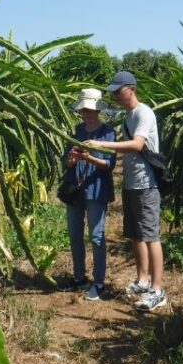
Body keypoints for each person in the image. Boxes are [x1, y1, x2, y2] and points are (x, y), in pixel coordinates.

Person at [86, 71, 166, 311]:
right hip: (131, 184)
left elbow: (137, 145)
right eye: (113, 93)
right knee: (135, 234)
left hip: (146, 184)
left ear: (131, 88)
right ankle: (143, 280)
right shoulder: (127, 117)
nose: (115, 96)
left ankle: (157, 290)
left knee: (151, 235)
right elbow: (122, 149)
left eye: (118, 92)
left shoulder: (144, 112)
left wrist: (100, 143)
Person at [62, 88, 116, 300]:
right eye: (85, 110)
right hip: (75, 189)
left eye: (91, 110)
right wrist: (73, 159)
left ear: (98, 111)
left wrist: (90, 157)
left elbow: (109, 165)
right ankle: (78, 277)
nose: (88, 113)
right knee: (75, 235)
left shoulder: (108, 133)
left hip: (97, 190)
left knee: (96, 236)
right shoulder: (76, 132)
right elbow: (65, 162)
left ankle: (99, 283)